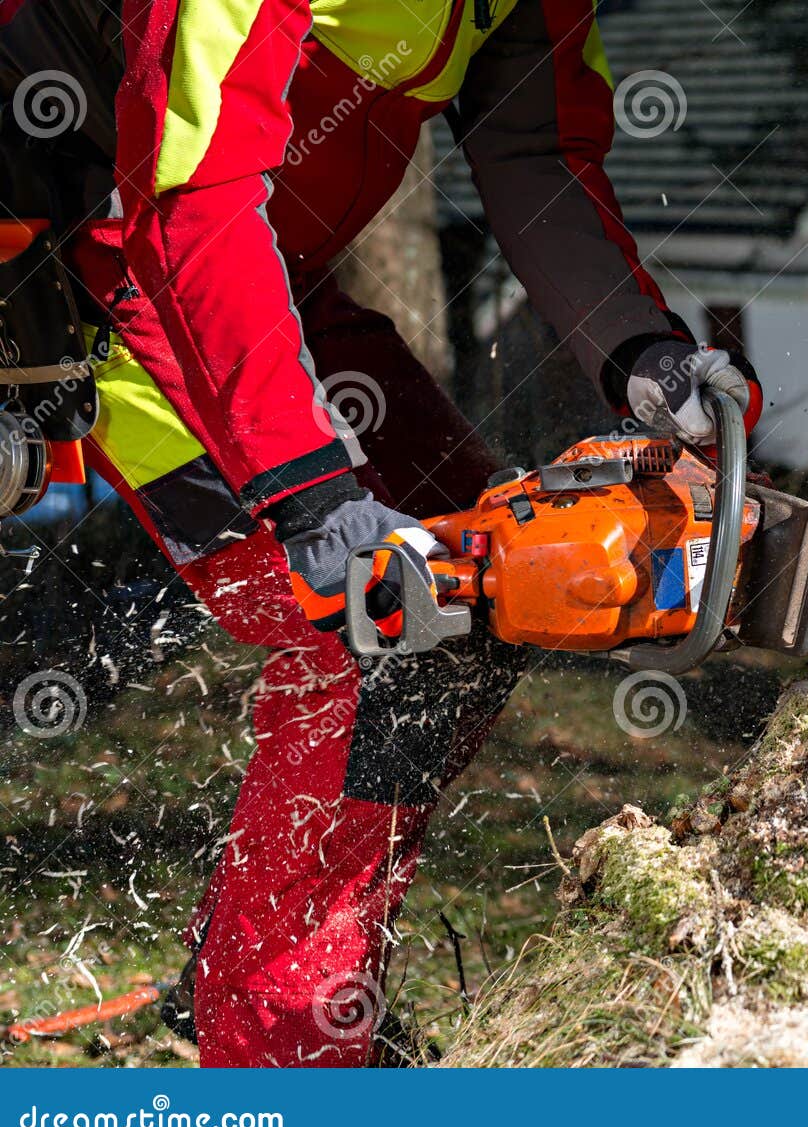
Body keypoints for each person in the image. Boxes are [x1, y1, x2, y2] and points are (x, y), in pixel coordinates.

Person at [0, 0, 760, 1066]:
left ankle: (281, 975)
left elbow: (534, 150)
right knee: (374, 634)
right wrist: (311, 496)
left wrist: (637, 351)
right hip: (127, 277)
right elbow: (191, 197)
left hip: (279, 285)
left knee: (485, 583)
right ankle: (278, 1053)